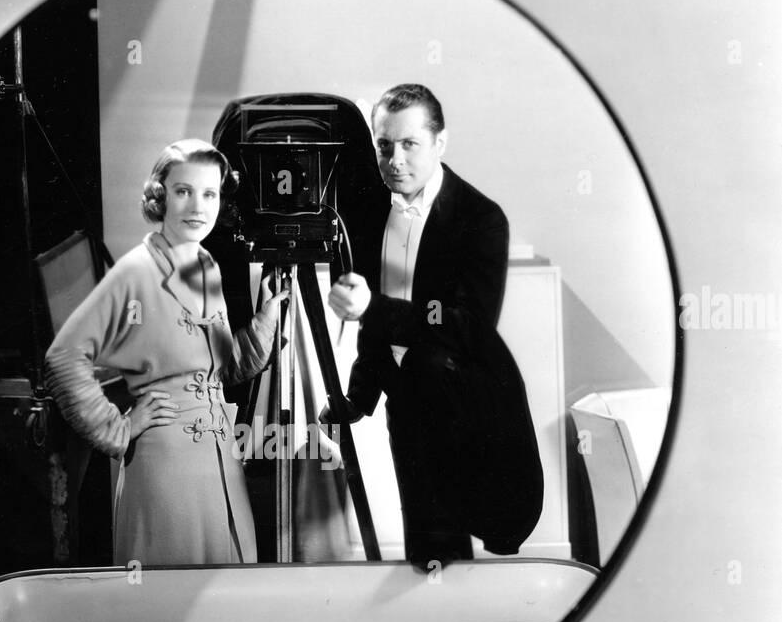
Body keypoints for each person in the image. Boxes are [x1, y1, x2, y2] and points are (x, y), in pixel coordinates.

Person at [325, 83, 543, 565]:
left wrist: (373, 307)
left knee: (449, 532)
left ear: (440, 143)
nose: (394, 160)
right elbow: (375, 326)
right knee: (423, 539)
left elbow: (467, 325)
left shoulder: (482, 219)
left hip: (466, 399)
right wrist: (359, 397)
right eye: (384, 146)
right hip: (405, 392)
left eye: (409, 144)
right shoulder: (367, 211)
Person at [44, 139, 287, 565]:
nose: (198, 206)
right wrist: (118, 429)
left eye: (209, 193)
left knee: (223, 604)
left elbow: (223, 371)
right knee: (171, 608)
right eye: (183, 191)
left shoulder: (206, 266)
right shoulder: (137, 271)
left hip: (221, 466)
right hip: (166, 471)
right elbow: (63, 357)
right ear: (160, 197)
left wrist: (265, 319)